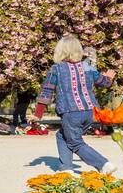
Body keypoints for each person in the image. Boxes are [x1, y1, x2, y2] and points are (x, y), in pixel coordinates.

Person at [32, 34, 117, 174]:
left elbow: (46, 90)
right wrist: (108, 77)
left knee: (75, 142)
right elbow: (104, 82)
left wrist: (38, 114)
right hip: (91, 111)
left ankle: (104, 164)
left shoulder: (57, 68)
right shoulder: (87, 66)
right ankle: (66, 168)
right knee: (62, 136)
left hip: (71, 112)